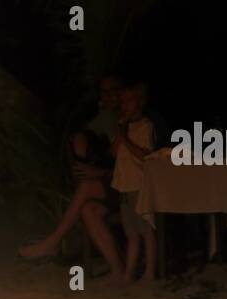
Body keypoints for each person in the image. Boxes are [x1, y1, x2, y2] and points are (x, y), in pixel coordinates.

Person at [19, 74, 126, 280]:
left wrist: (101, 172)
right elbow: (83, 132)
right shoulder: (107, 117)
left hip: (134, 187)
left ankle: (53, 242)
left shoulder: (134, 119)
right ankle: (118, 270)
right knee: (88, 209)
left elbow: (138, 165)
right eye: (104, 92)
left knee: (86, 187)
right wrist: (80, 141)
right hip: (114, 184)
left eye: (113, 91)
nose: (109, 96)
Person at [110, 84, 157, 282]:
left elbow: (145, 155)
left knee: (146, 231)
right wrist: (121, 134)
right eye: (123, 101)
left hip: (140, 186)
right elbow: (114, 153)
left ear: (139, 102)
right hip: (124, 185)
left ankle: (150, 272)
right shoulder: (123, 126)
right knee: (132, 233)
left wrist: (125, 138)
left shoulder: (146, 126)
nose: (125, 105)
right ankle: (128, 274)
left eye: (129, 100)